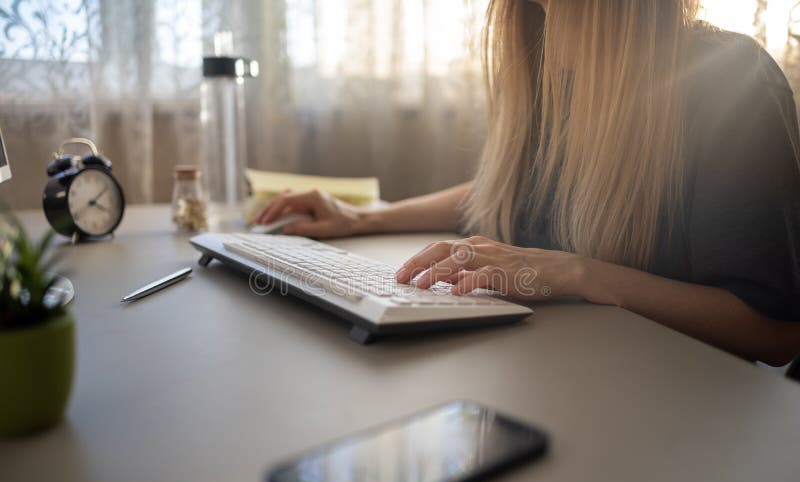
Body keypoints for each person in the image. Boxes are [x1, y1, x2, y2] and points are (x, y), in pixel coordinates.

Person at [256, 0, 800, 366]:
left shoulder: (731, 79)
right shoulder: (549, 54)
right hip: (560, 373)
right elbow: (511, 190)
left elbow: (774, 332)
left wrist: (578, 272)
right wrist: (363, 218)